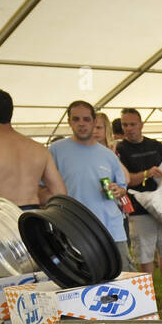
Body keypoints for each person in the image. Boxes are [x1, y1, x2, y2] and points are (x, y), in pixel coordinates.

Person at [48, 100, 135, 270]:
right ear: (69, 122)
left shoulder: (108, 155)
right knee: (85, 281)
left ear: (94, 122)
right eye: (76, 119)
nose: (81, 124)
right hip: (74, 230)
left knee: (124, 279)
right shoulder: (56, 150)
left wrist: (119, 190)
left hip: (111, 228)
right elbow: (43, 187)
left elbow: (123, 187)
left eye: (86, 119)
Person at [115, 108, 162, 299]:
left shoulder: (156, 146)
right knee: (144, 254)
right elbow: (125, 180)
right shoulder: (120, 150)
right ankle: (148, 295)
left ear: (141, 125)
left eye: (132, 124)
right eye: (125, 125)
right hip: (139, 210)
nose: (129, 129)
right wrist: (147, 173)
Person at [0, 87, 66, 210]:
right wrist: (31, 198)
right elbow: (60, 193)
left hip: (1, 217)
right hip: (33, 218)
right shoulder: (39, 148)